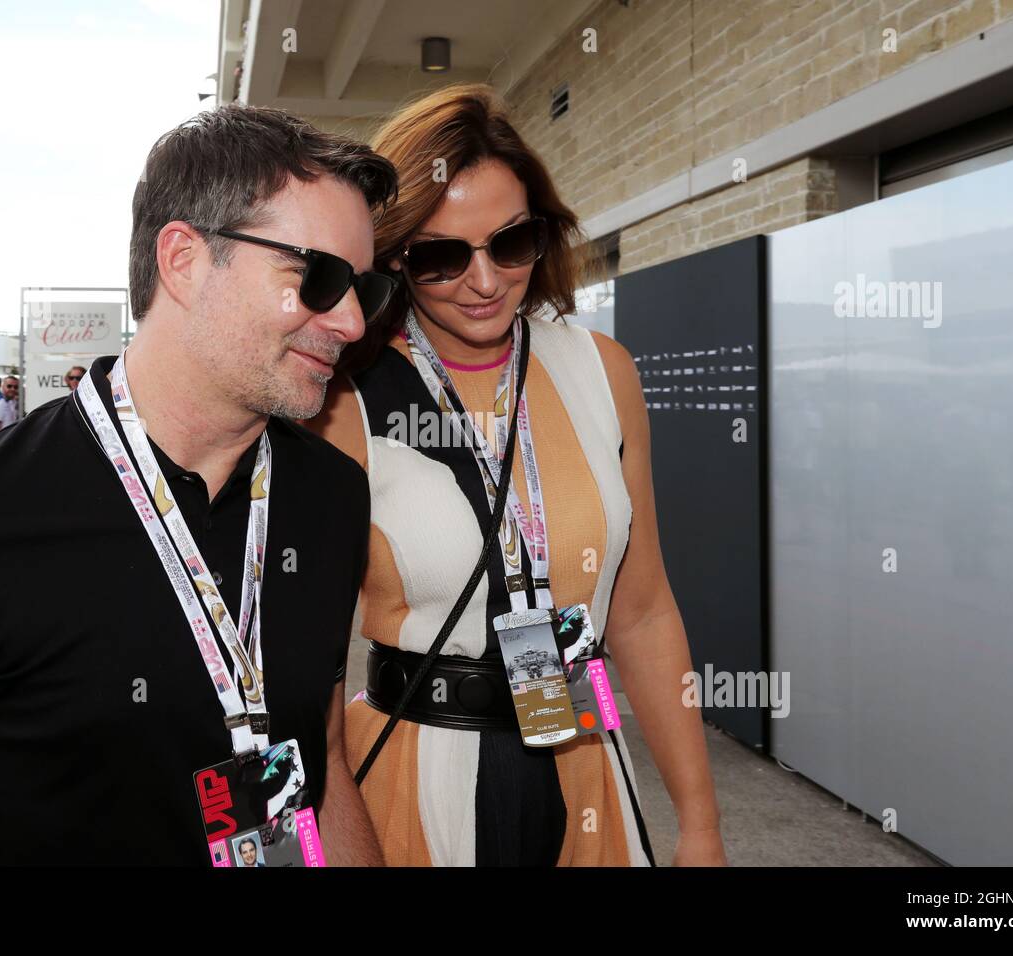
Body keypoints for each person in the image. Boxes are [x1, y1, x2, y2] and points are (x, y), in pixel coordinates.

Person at [0, 103, 399, 866]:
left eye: (366, 288)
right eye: (316, 277)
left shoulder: (332, 495)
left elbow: (321, 761)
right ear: (184, 260)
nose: (351, 322)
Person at [308, 84, 727, 866]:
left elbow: (640, 614)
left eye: (511, 243)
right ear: (395, 256)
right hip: (416, 770)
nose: (485, 280)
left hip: (583, 755)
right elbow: (311, 659)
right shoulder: (345, 400)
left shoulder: (602, 372)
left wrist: (699, 824)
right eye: (441, 255)